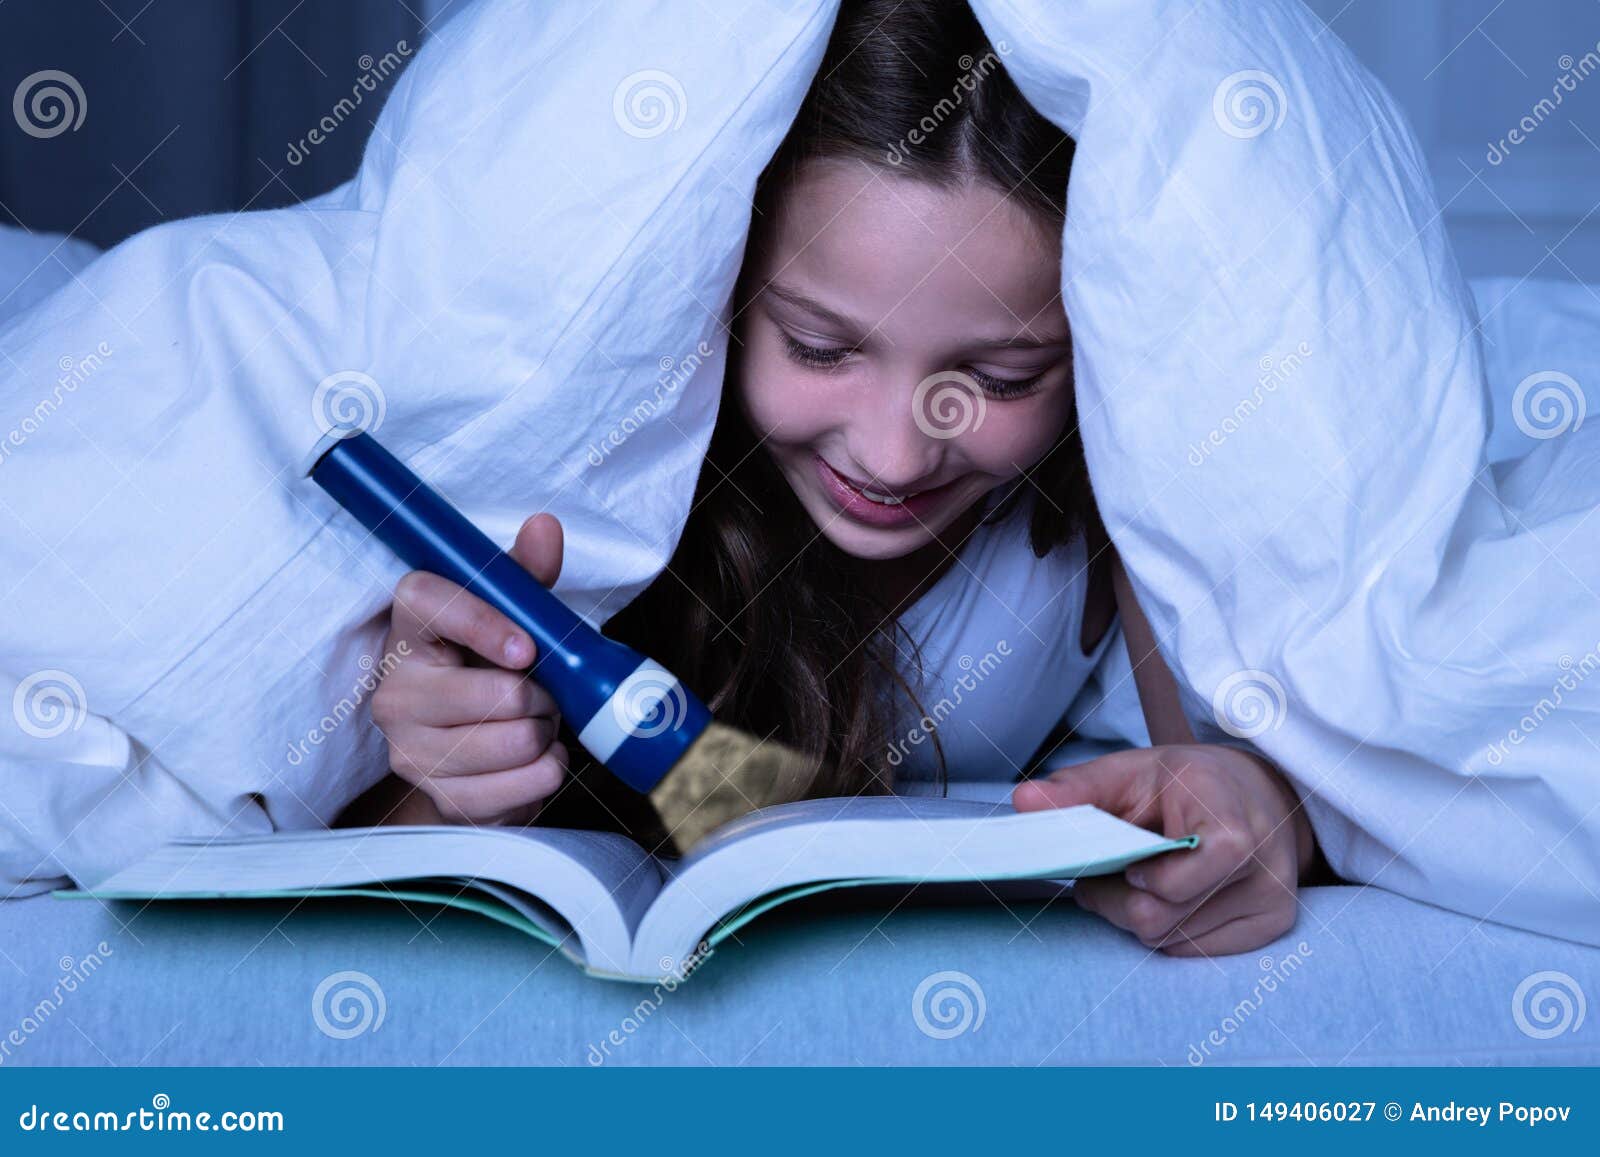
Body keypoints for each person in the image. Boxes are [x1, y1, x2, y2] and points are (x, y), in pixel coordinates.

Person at [344, 0, 1323, 957]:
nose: (894, 457)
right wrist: (446, 775)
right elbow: (377, 885)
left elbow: (1235, 767)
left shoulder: (1125, 497)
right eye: (818, 349)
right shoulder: (633, 495)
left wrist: (1267, 806)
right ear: (716, 293)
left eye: (999, 376)